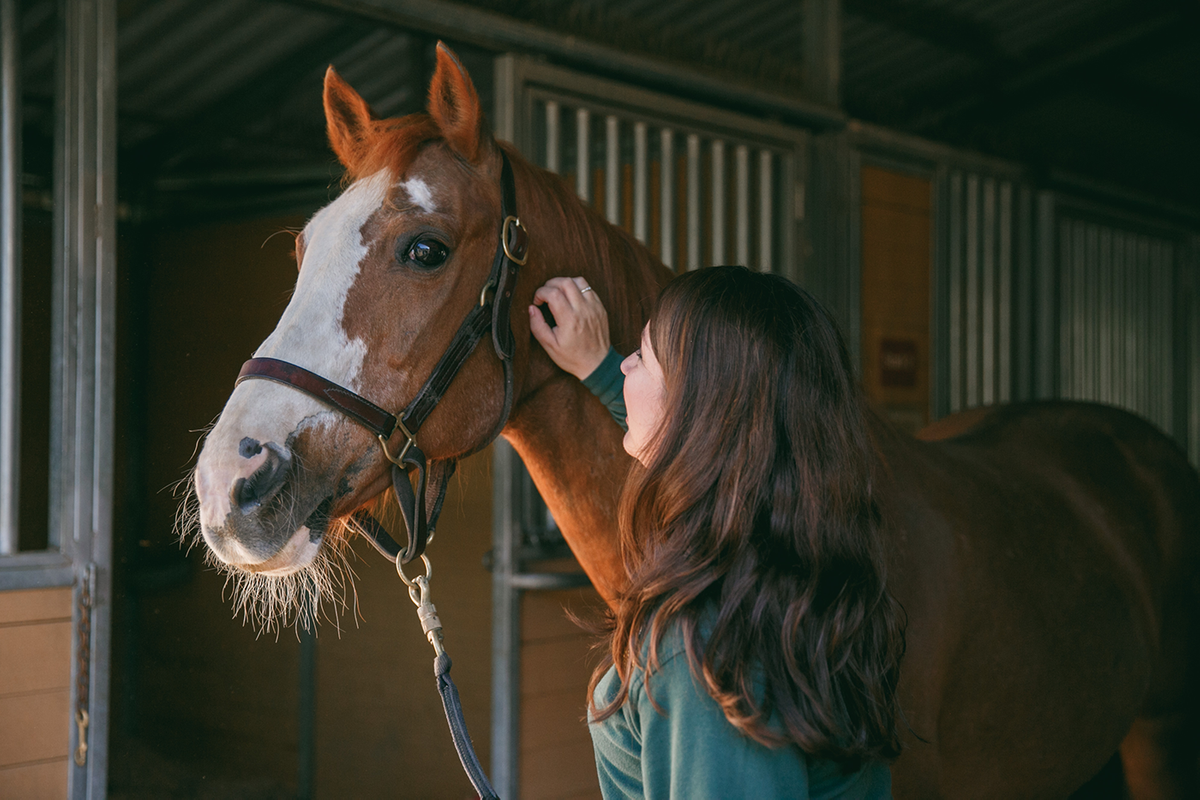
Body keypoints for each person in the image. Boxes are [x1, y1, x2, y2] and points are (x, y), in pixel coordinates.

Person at [528, 267, 904, 800]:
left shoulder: (705, 645)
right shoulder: (788, 573)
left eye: (643, 355)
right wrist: (597, 367)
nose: (626, 363)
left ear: (698, 413)